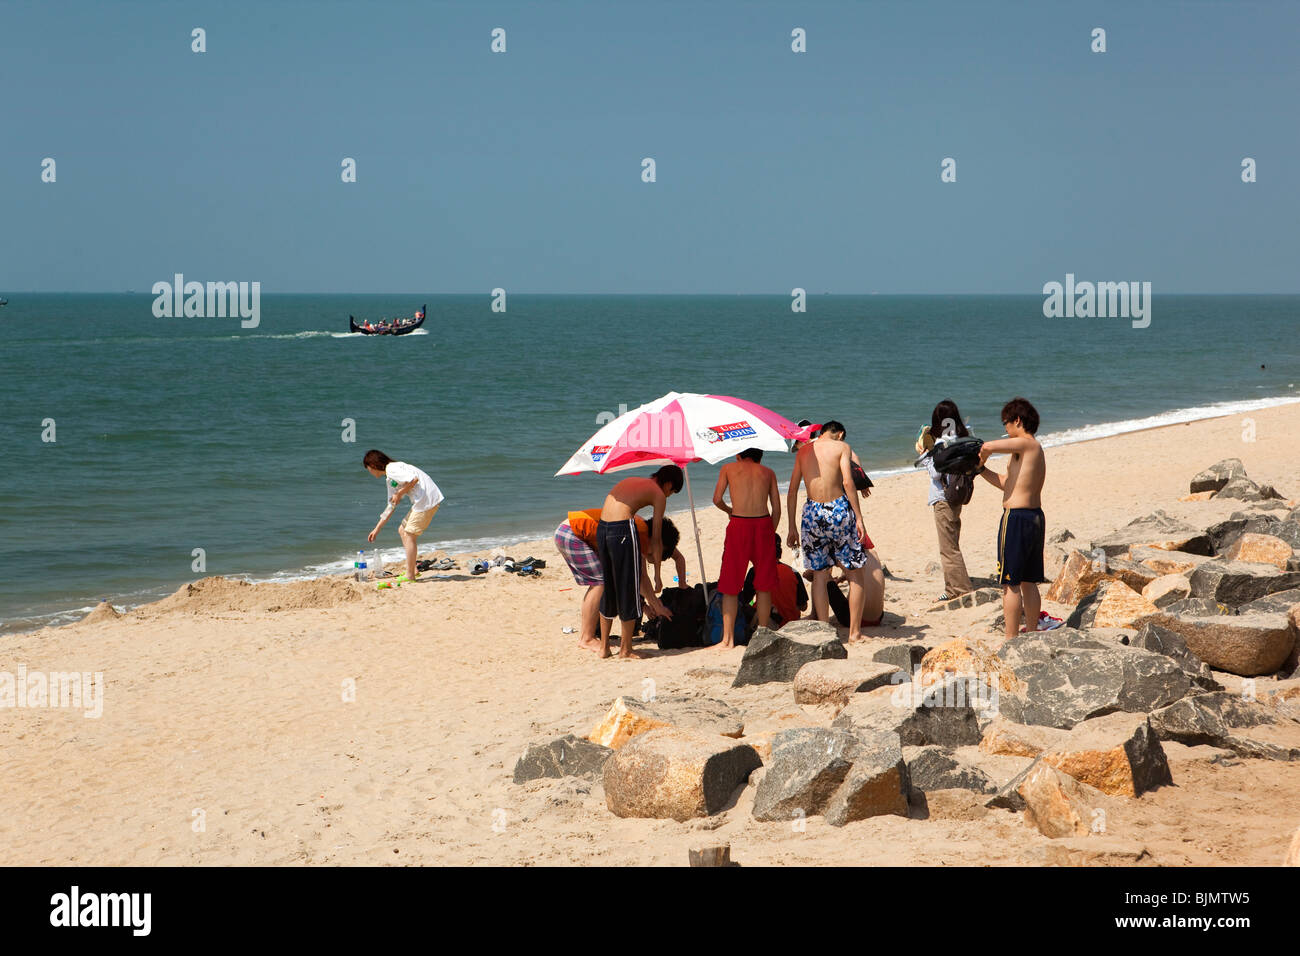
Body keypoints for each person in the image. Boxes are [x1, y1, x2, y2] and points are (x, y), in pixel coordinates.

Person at [976, 398, 1064, 638]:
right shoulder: (1027, 452)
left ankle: (1010, 638)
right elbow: (1006, 483)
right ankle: (1032, 631)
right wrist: (980, 470)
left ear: (1017, 420)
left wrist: (980, 457)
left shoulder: (1028, 445)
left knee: (1010, 582)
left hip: (1016, 519)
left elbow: (988, 446)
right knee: (1028, 581)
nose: (1005, 429)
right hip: (1034, 517)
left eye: (1006, 423)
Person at [786, 420, 870, 642]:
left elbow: (792, 491)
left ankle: (825, 635)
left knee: (820, 575)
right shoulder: (842, 447)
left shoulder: (802, 452)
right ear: (839, 434)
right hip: (839, 510)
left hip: (812, 512)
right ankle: (854, 633)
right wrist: (859, 518)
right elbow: (848, 483)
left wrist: (791, 526)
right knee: (855, 574)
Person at [556, 509, 684, 652]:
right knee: (600, 582)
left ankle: (590, 635)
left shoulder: (640, 528)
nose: (652, 558)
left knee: (604, 581)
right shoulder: (638, 532)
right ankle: (587, 638)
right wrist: (657, 605)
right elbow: (641, 578)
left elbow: (639, 577)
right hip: (572, 533)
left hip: (569, 529)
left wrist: (652, 602)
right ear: (659, 544)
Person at [597, 465, 684, 659]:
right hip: (622, 529)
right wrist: (658, 575)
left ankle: (604, 648)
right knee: (628, 587)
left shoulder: (635, 482)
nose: (668, 496)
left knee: (609, 587)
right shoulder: (658, 494)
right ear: (668, 484)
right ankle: (626, 650)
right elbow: (657, 538)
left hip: (602, 528)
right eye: (672, 492)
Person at [712, 448, 781, 648]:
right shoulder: (768, 472)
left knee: (731, 585)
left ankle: (728, 640)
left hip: (739, 523)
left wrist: (730, 510)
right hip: (763, 524)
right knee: (764, 584)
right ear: (760, 458)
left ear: (738, 455)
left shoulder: (728, 468)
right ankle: (763, 634)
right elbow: (776, 508)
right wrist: (771, 532)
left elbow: (717, 499)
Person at [922, 399, 976, 601]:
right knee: (951, 542)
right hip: (957, 495)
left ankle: (960, 590)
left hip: (943, 498)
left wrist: (926, 456)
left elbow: (936, 474)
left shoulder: (941, 443)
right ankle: (950, 587)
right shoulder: (963, 437)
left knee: (948, 548)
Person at [363, 450, 444, 582]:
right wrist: (377, 529)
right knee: (402, 530)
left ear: (373, 465)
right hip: (423, 501)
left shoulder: (392, 468)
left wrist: (400, 493)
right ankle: (414, 569)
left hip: (426, 500)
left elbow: (413, 479)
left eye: (369, 469)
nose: (369, 472)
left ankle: (410, 575)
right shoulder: (390, 479)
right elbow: (391, 506)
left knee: (410, 534)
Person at [741, 534, 807, 630]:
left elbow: (746, 601)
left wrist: (752, 603)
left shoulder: (755, 571)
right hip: (791, 625)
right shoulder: (793, 571)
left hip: (767, 624)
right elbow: (803, 606)